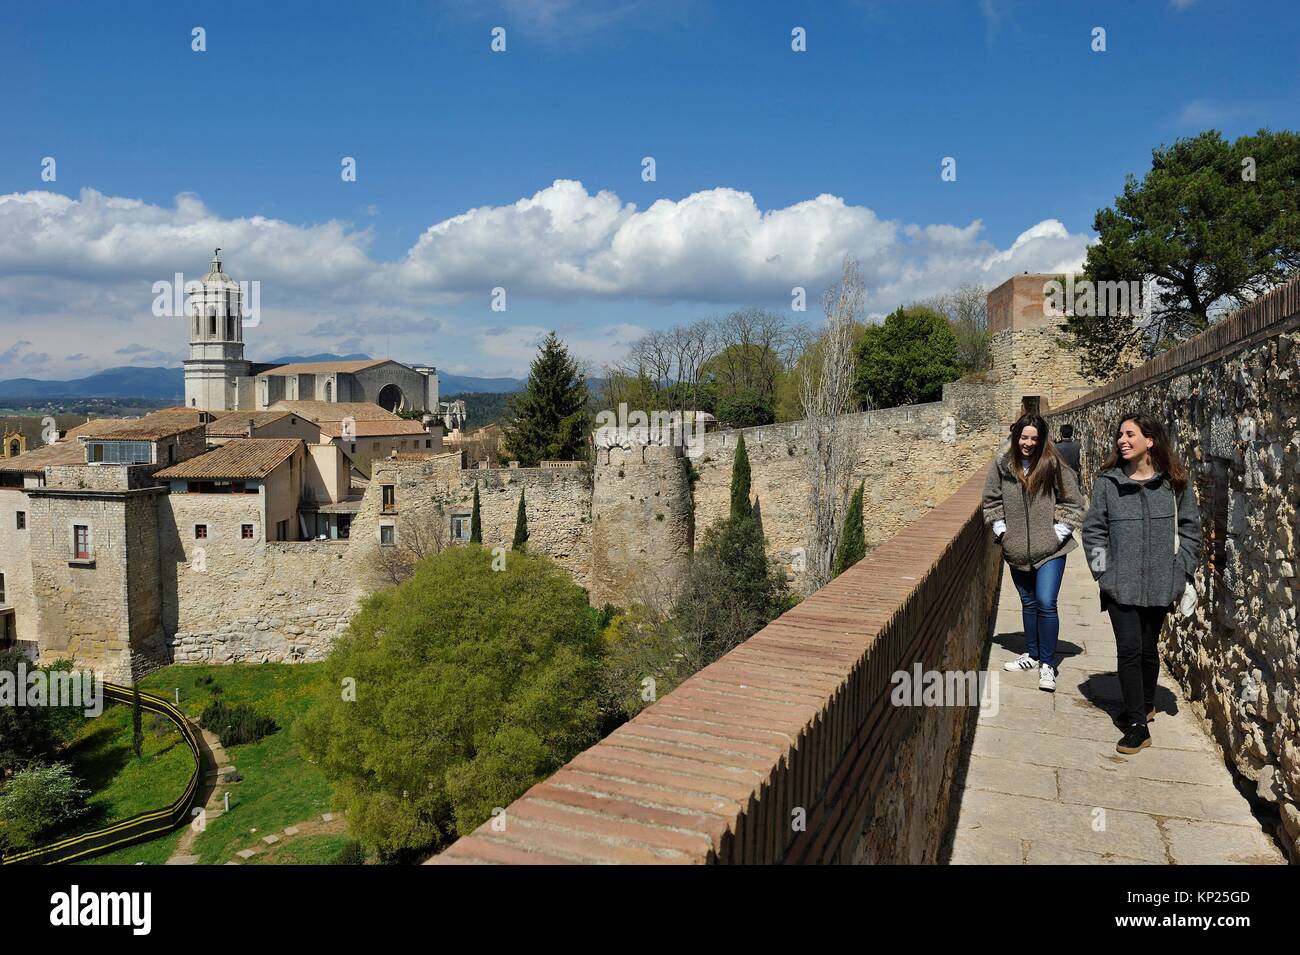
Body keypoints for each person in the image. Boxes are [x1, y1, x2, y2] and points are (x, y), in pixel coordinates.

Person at [1082, 412, 1201, 755]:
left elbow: (1190, 529)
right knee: (1130, 649)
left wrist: (1181, 570)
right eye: (1120, 435)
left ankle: (1145, 704)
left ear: (1149, 441)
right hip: (1120, 585)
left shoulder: (1174, 483)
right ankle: (1137, 725)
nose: (1122, 440)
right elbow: (1094, 532)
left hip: (1162, 583)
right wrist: (1103, 574)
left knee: (1149, 650)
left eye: (1130, 434)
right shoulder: (1108, 483)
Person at [982, 413, 1085, 692]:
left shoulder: (1053, 464)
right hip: (1016, 549)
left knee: (1046, 601)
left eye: (1034, 438)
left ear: (1042, 440)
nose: (1028, 443)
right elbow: (991, 500)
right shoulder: (1002, 465)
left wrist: (1057, 535)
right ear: (1016, 437)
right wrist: (1003, 533)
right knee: (1028, 603)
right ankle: (1032, 653)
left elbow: (1073, 501)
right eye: (1024, 437)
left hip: (1051, 550)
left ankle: (1048, 664)